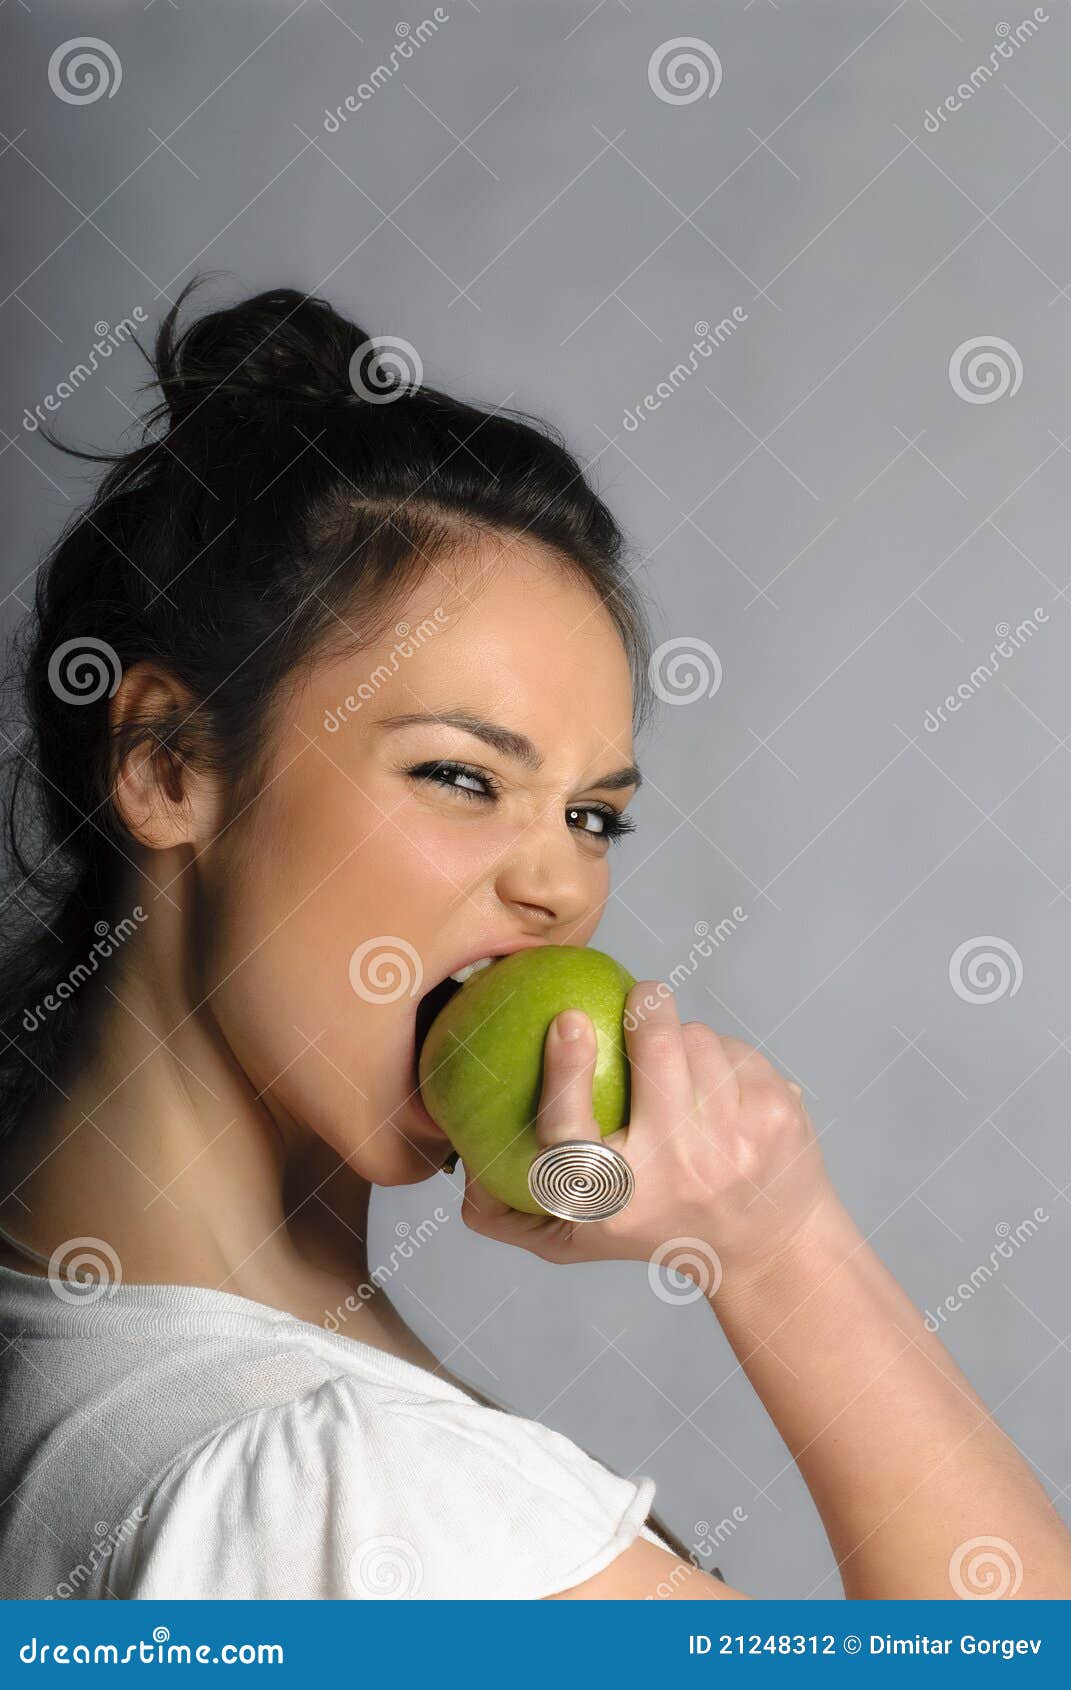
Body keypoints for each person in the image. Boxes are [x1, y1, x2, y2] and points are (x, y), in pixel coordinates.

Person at [0, 279, 1068, 1602]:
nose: (561, 883)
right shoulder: (350, 1493)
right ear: (165, 763)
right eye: (459, 776)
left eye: (592, 814)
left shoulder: (70, 1336)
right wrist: (778, 1243)